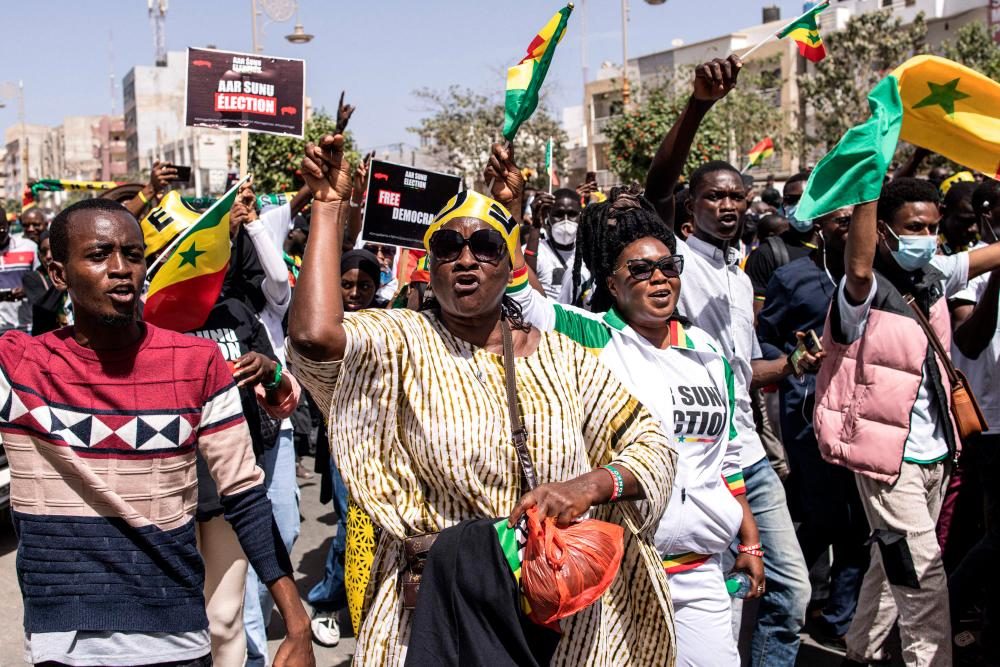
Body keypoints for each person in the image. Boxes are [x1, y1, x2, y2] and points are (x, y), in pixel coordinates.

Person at [287, 134, 678, 666]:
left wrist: (589, 485)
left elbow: (652, 443)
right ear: (430, 264)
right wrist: (329, 207)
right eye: (448, 247)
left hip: (557, 613)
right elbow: (314, 339)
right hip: (437, 610)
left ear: (508, 261)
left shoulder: (562, 356)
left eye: (487, 247)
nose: (466, 260)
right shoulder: (403, 341)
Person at [1, 198, 314, 667]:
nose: (120, 268)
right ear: (58, 274)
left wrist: (296, 621)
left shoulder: (197, 364)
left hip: (178, 637)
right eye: (98, 254)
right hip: (63, 642)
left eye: (133, 254)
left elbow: (245, 495)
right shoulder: (19, 368)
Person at [507, 181, 763, 667]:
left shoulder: (709, 353)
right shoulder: (591, 335)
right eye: (641, 270)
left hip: (699, 572)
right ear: (613, 283)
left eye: (669, 267)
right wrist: (512, 214)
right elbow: (522, 299)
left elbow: (725, 460)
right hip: (618, 570)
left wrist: (748, 539)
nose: (659, 279)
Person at [644, 54, 812, 666]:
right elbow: (657, 187)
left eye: (738, 196)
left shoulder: (741, 280)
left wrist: (792, 366)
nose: (729, 205)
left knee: (789, 592)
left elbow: (739, 375)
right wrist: (698, 105)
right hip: (696, 457)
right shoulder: (673, 261)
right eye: (714, 196)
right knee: (717, 601)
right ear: (690, 207)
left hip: (750, 457)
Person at [815, 177, 1000, 666]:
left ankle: (859, 654)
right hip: (888, 463)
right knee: (924, 581)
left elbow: (990, 255)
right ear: (882, 231)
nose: (927, 238)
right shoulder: (862, 292)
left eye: (933, 227)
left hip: (937, 455)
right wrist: (867, 188)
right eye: (914, 227)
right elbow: (858, 268)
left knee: (891, 564)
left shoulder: (935, 276)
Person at [757, 206, 869, 647]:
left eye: (858, 219)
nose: (851, 228)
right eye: (842, 220)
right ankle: (784, 595)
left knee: (859, 521)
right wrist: (795, 363)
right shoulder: (792, 278)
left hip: (866, 415)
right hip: (809, 414)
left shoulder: (876, 278)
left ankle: (840, 618)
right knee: (823, 517)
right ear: (819, 226)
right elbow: (766, 337)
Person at [188, 293, 302, 665]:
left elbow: (285, 399)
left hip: (231, 485)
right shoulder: (148, 313)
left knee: (224, 619)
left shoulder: (236, 311)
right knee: (185, 622)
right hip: (173, 491)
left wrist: (271, 373)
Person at [306, 247, 381, 649]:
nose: (354, 293)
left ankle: (367, 601)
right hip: (342, 436)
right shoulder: (324, 323)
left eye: (364, 286)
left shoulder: (388, 322)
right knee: (351, 522)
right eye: (346, 284)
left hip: (384, 440)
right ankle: (327, 603)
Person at [945, 177, 1000, 664]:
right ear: (988, 219)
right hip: (992, 425)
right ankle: (945, 609)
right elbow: (969, 340)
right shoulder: (972, 270)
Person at [745, 172, 814, 318]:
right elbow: (756, 316)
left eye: (806, 199)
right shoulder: (767, 254)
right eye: (791, 200)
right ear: (784, 204)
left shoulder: (837, 249)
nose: (799, 205)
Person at [523, 188, 582, 300]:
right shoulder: (534, 250)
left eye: (572, 214)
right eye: (558, 214)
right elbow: (525, 281)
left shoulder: (588, 252)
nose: (566, 221)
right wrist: (536, 224)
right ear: (548, 217)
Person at [22, 231, 71, 336]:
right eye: (44, 252)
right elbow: (45, 306)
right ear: (38, 255)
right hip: (45, 337)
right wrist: (65, 275)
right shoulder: (31, 277)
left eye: (53, 250)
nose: (48, 256)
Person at [0, 206, 39, 333]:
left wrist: (27, 290)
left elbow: (43, 281)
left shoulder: (29, 247)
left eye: (1, 228)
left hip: (26, 325)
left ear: (8, 224)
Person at [938, 181, 978, 255]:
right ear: (943, 212)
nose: (974, 229)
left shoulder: (982, 242)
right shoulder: (929, 250)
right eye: (966, 221)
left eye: (979, 221)